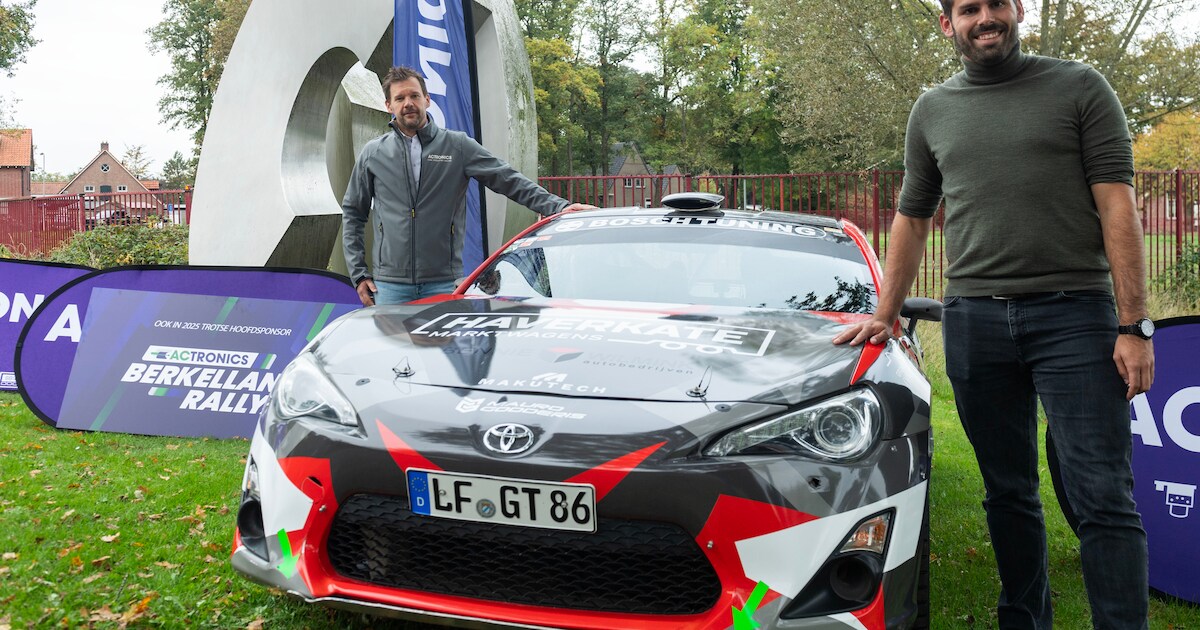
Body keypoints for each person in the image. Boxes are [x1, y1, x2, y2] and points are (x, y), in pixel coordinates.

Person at [832, 0, 1154, 627]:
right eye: (968, 9)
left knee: (1102, 497)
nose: (985, 18)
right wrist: (886, 309)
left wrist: (1134, 324)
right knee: (1008, 494)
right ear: (948, 23)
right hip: (976, 320)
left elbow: (1118, 207)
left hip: (1076, 318)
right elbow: (912, 214)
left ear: (1020, 11)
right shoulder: (932, 109)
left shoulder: (1080, 88)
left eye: (996, 5)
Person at [342, 66, 594, 306]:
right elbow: (353, 212)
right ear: (389, 105)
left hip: (443, 282)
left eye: (414, 95)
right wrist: (359, 273)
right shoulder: (373, 153)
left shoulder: (457, 146)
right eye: (399, 98)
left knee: (440, 351)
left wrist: (560, 206)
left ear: (427, 100)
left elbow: (506, 178)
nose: (408, 103)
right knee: (394, 351)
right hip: (390, 285)